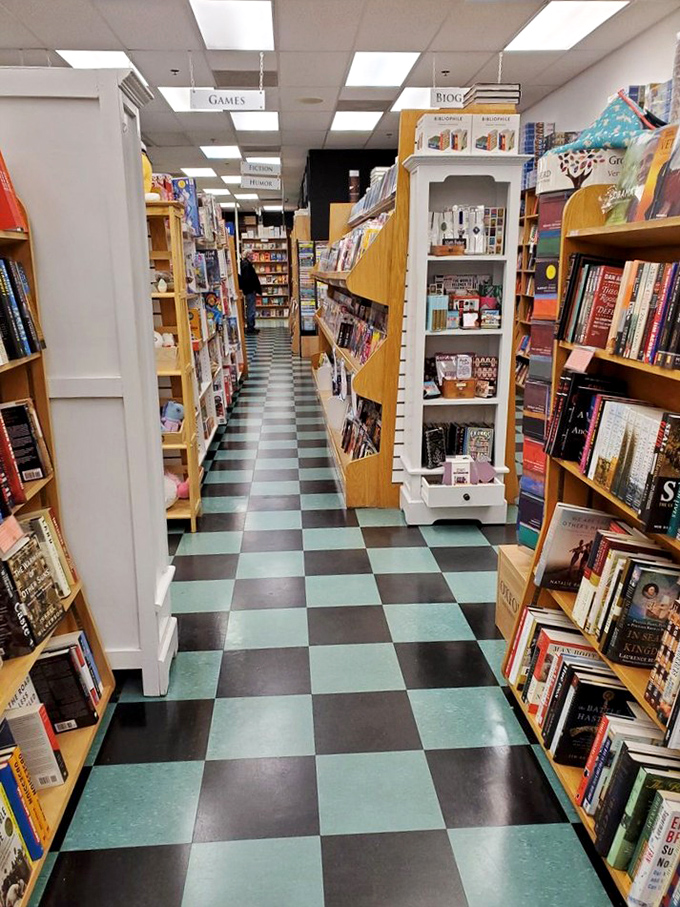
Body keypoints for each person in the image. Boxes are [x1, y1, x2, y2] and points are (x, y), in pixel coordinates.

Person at [238, 251, 262, 335]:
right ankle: (250, 328)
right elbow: (248, 279)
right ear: (248, 256)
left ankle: (251, 326)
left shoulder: (246, 264)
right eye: (252, 255)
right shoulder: (247, 265)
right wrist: (253, 287)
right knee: (251, 309)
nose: (253, 257)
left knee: (251, 308)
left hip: (249, 290)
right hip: (250, 290)